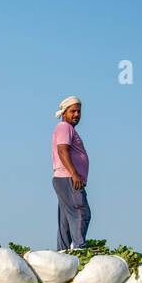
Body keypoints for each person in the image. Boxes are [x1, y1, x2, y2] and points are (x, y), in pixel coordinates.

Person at [52, 96, 90, 250]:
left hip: (63, 178)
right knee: (81, 212)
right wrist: (74, 173)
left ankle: (63, 251)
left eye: (79, 111)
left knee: (66, 219)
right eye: (73, 111)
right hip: (68, 178)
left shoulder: (68, 129)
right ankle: (79, 248)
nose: (76, 115)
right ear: (64, 113)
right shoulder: (64, 127)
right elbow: (62, 150)